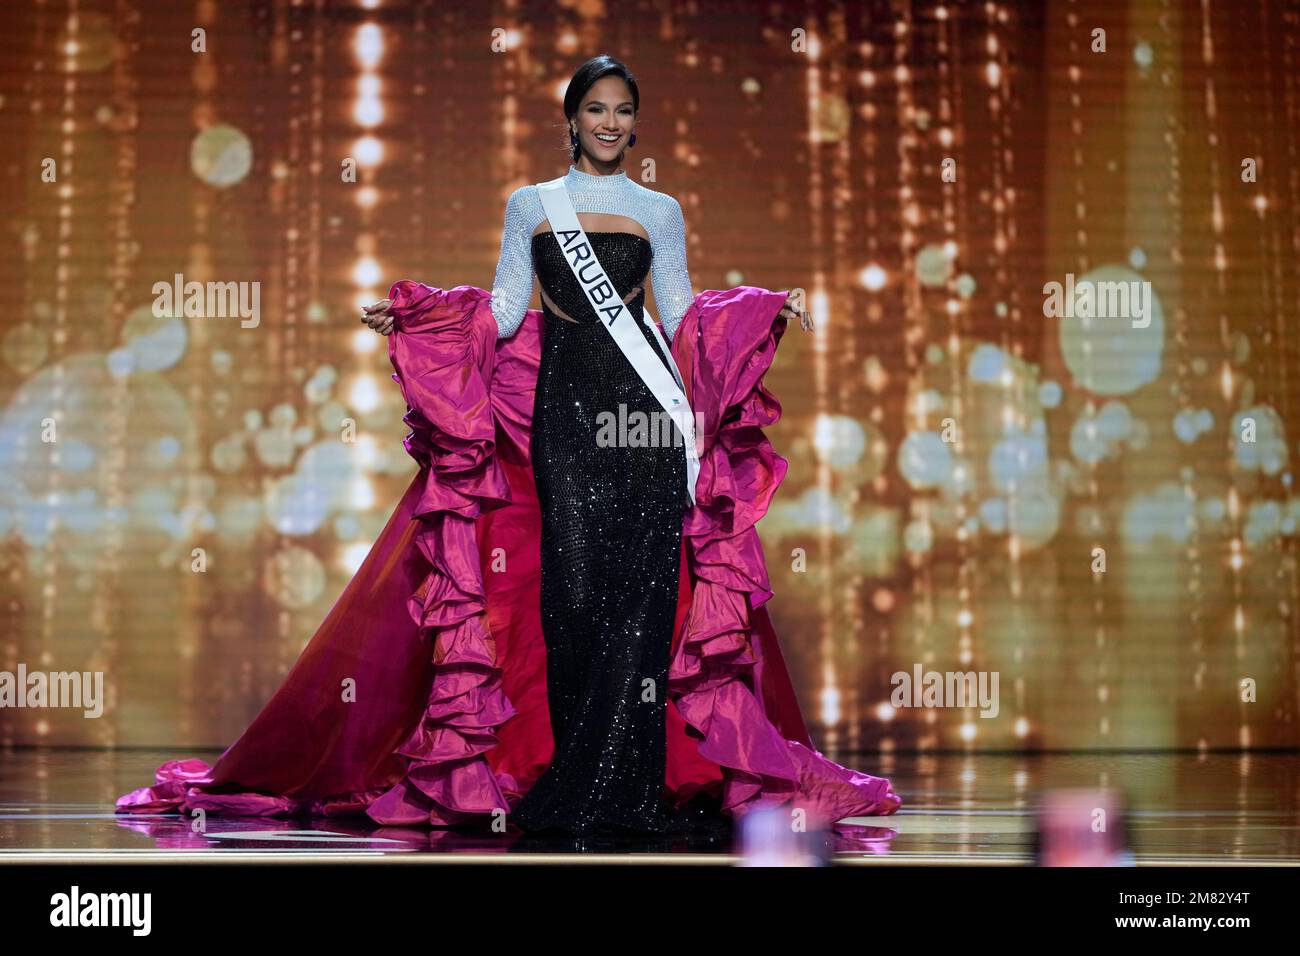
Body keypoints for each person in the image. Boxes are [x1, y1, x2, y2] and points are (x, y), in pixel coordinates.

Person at [116, 54, 901, 842]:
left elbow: (682, 314)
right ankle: (575, 775)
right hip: (565, 427)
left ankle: (619, 789)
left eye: (624, 110)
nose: (610, 123)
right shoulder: (532, 205)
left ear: (636, 121)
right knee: (574, 601)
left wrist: (763, 307)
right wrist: (421, 318)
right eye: (596, 109)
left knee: (642, 607)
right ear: (571, 118)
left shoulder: (659, 211)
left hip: (648, 429)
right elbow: (501, 310)